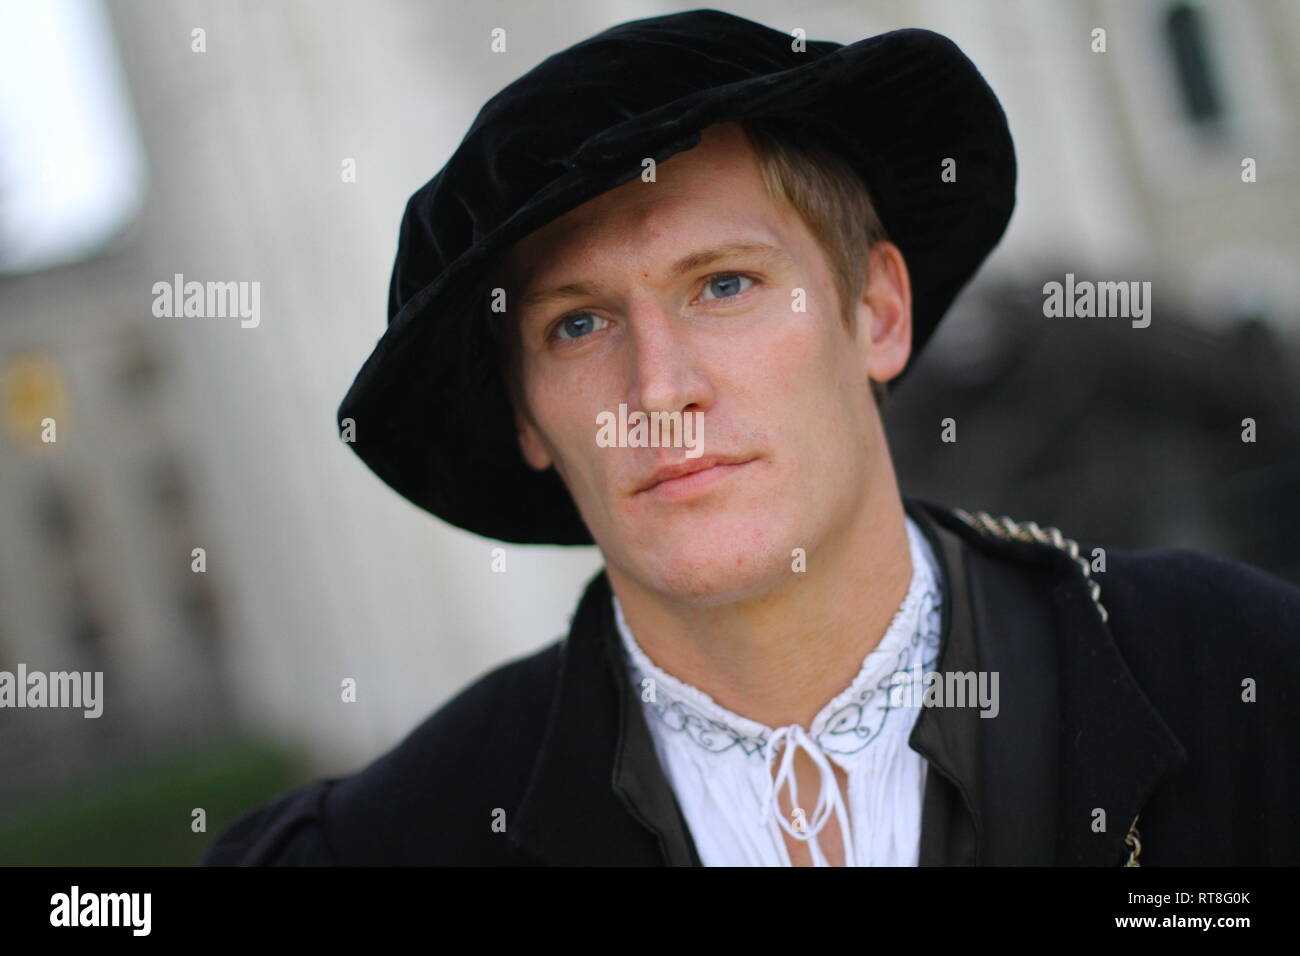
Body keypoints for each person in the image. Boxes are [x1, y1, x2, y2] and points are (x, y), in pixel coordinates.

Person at [202, 9, 1300, 867]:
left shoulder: (1237, 682)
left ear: (873, 310)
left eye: (722, 284)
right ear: (527, 414)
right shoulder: (404, 841)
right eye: (577, 323)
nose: (659, 386)